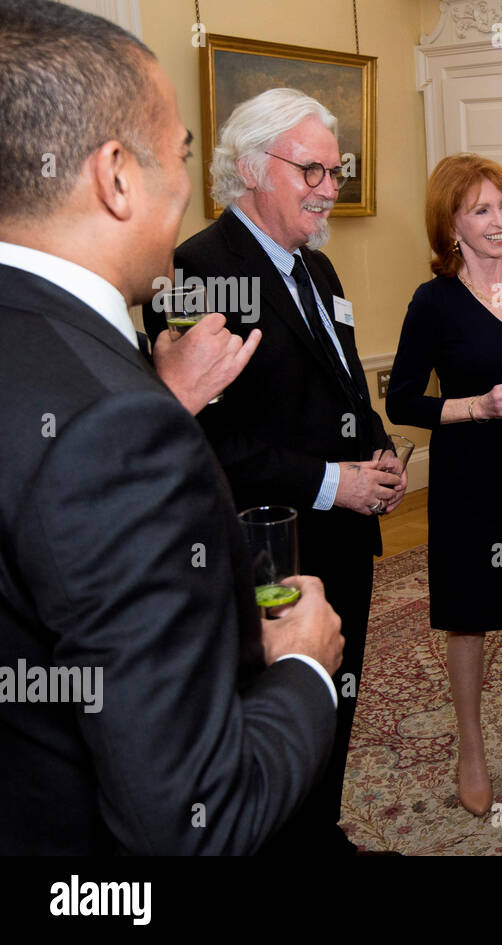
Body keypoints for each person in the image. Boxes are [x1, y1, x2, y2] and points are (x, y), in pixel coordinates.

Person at [0, 0, 344, 854]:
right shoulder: (191, 278)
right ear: (117, 176)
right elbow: (188, 809)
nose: (189, 182)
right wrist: (302, 666)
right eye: (183, 153)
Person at [152, 88, 407, 855]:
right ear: (253, 169)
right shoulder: (199, 271)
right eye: (314, 171)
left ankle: (319, 833)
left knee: (330, 695)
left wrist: (380, 445)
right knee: (271, 713)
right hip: (266, 548)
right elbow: (209, 438)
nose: (331, 188)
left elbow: (342, 382)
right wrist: (337, 480)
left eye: (336, 171)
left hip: (344, 537)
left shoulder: (318, 268)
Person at [386, 154, 502, 816]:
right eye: (482, 209)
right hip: (466, 478)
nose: (500, 220)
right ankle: (471, 746)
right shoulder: (433, 302)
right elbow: (403, 399)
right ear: (451, 223)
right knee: (466, 616)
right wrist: (479, 407)